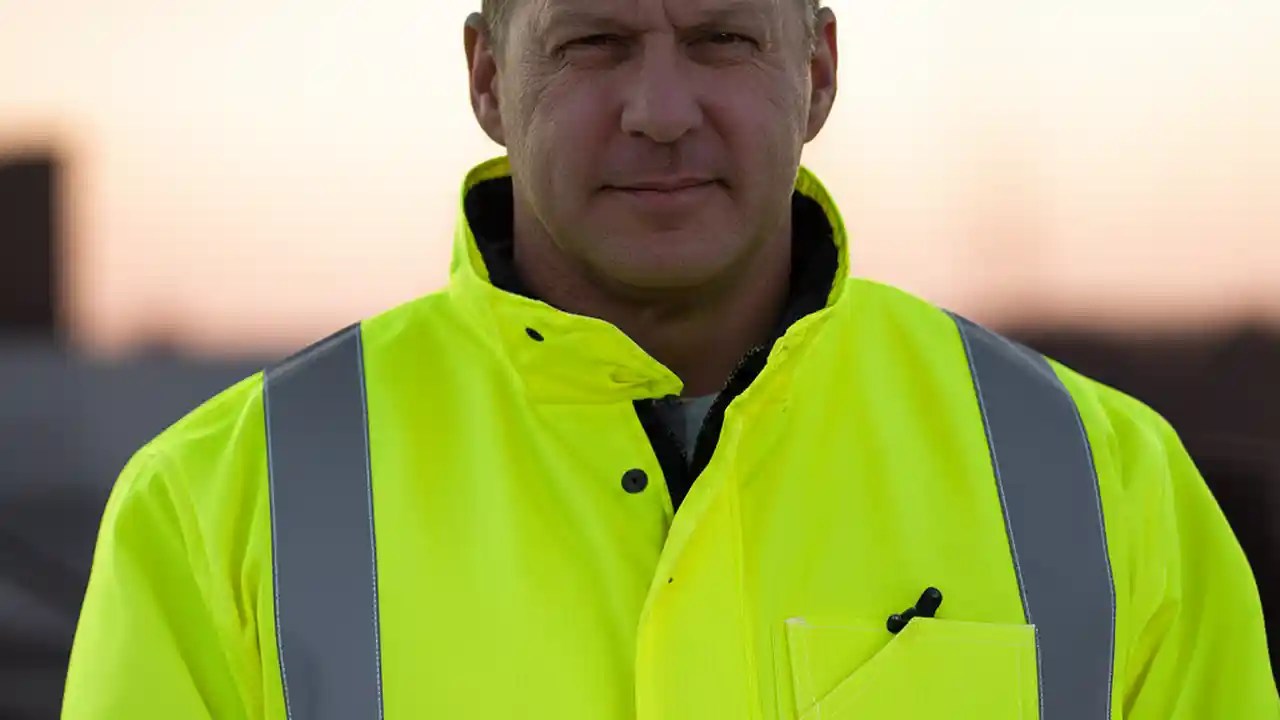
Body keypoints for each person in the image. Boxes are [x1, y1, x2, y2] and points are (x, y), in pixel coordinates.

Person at [63, 0, 1277, 717]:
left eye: (719, 38)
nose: (657, 108)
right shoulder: (211, 511)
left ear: (817, 69)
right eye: (591, 41)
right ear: (488, 75)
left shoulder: (1106, 486)